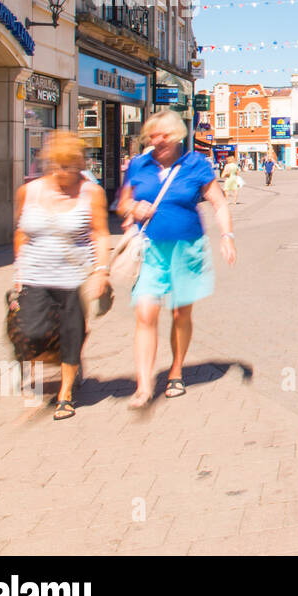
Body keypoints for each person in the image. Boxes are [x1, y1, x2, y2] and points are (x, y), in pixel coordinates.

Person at [117, 110, 235, 407]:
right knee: (145, 314)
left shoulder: (196, 164)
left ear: (178, 136)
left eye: (164, 135)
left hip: (187, 249)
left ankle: (176, 371)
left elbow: (218, 203)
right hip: (150, 249)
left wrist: (227, 237)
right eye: (152, 136)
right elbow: (121, 203)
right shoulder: (138, 164)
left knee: (181, 314)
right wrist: (133, 208)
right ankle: (144, 385)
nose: (158, 141)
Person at [11, 132, 111, 420]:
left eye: (69, 167)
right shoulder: (28, 191)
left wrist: (101, 271)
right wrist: (18, 268)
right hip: (34, 276)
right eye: (56, 165)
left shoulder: (91, 192)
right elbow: (21, 230)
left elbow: (100, 233)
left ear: (79, 165)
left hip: (74, 278)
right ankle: (58, 361)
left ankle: (65, 394)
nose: (62, 173)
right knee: (31, 333)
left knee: (71, 333)